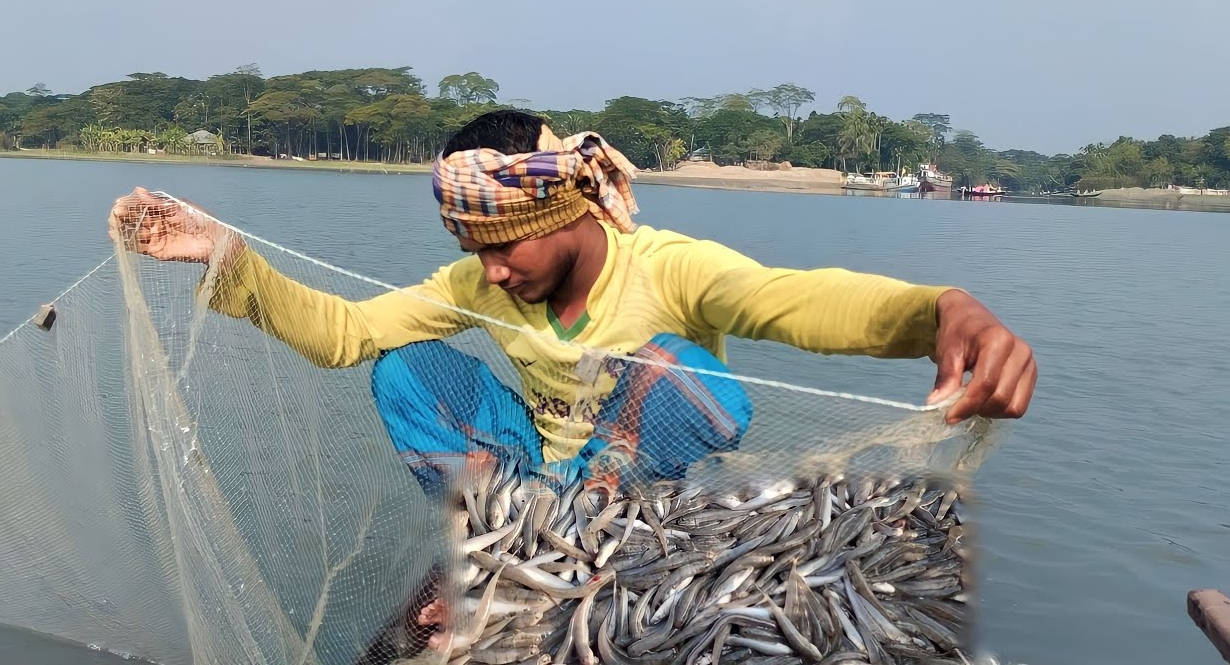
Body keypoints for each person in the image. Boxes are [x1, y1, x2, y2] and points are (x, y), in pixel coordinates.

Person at [108, 109, 1036, 654]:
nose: (492, 273)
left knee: (689, 377)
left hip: (637, 491)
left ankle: (572, 551)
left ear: (567, 210)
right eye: (473, 252)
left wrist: (941, 313)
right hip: (531, 480)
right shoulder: (480, 282)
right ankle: (502, 539)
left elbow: (793, 301)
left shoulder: (667, 267)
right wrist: (228, 259)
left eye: (504, 247)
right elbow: (346, 332)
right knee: (406, 367)